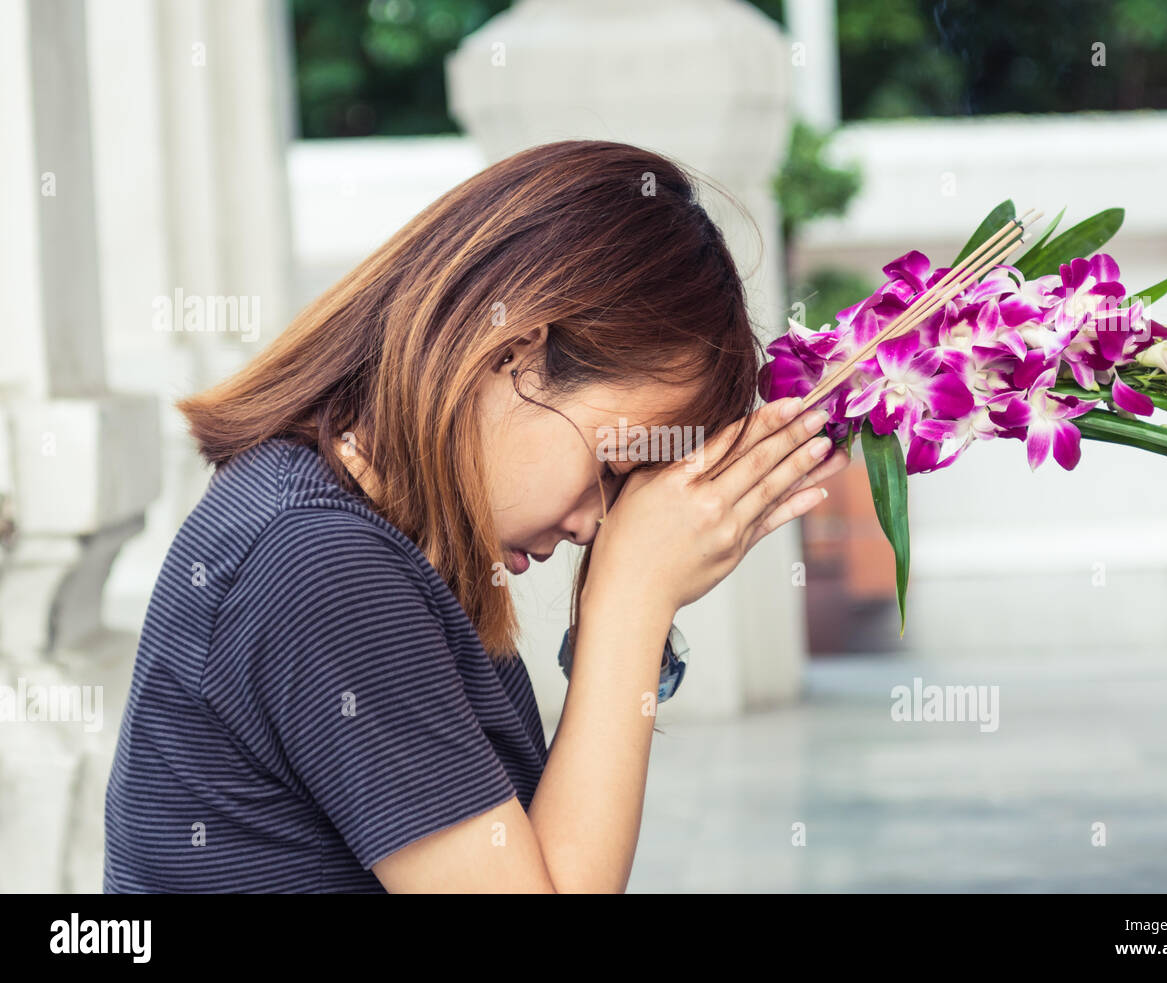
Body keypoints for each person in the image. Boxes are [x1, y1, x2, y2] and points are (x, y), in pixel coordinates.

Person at [102, 139, 848, 893]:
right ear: (514, 350)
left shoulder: (348, 523)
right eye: (612, 465)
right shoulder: (323, 564)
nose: (598, 525)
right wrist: (631, 601)